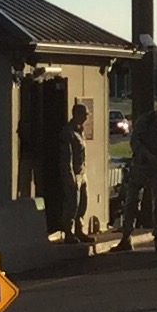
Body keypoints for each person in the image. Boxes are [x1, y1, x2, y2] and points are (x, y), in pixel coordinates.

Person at [117, 94, 157, 250]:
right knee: (132, 201)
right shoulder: (146, 121)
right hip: (141, 165)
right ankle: (126, 235)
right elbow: (135, 141)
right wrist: (146, 155)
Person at [61, 102, 90, 242]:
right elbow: (67, 156)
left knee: (83, 202)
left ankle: (80, 229)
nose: (86, 117)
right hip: (73, 172)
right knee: (73, 203)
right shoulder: (68, 132)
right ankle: (68, 232)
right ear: (76, 114)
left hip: (82, 171)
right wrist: (70, 174)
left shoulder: (80, 131)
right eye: (84, 114)